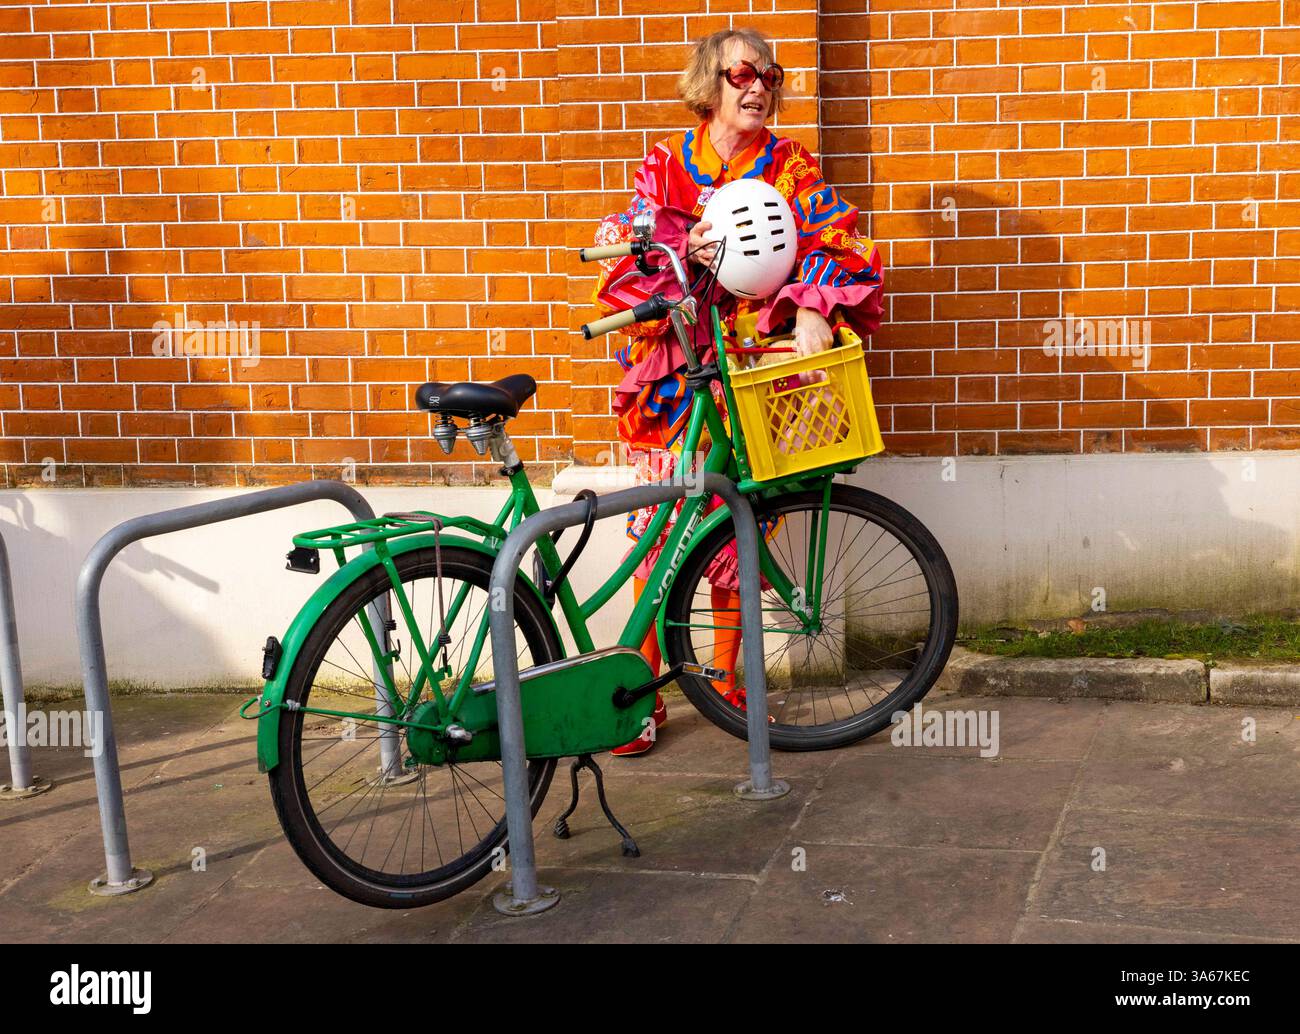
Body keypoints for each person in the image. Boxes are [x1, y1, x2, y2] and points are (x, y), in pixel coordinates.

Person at [591, 27, 885, 756]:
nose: (757, 87)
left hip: (751, 365)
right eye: (741, 74)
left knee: (737, 524)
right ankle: (636, 692)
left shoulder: (790, 164)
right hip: (674, 367)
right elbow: (625, 247)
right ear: (710, 83)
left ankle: (728, 679)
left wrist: (816, 305)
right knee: (661, 535)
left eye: (768, 75)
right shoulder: (665, 166)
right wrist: (671, 252)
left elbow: (831, 238)